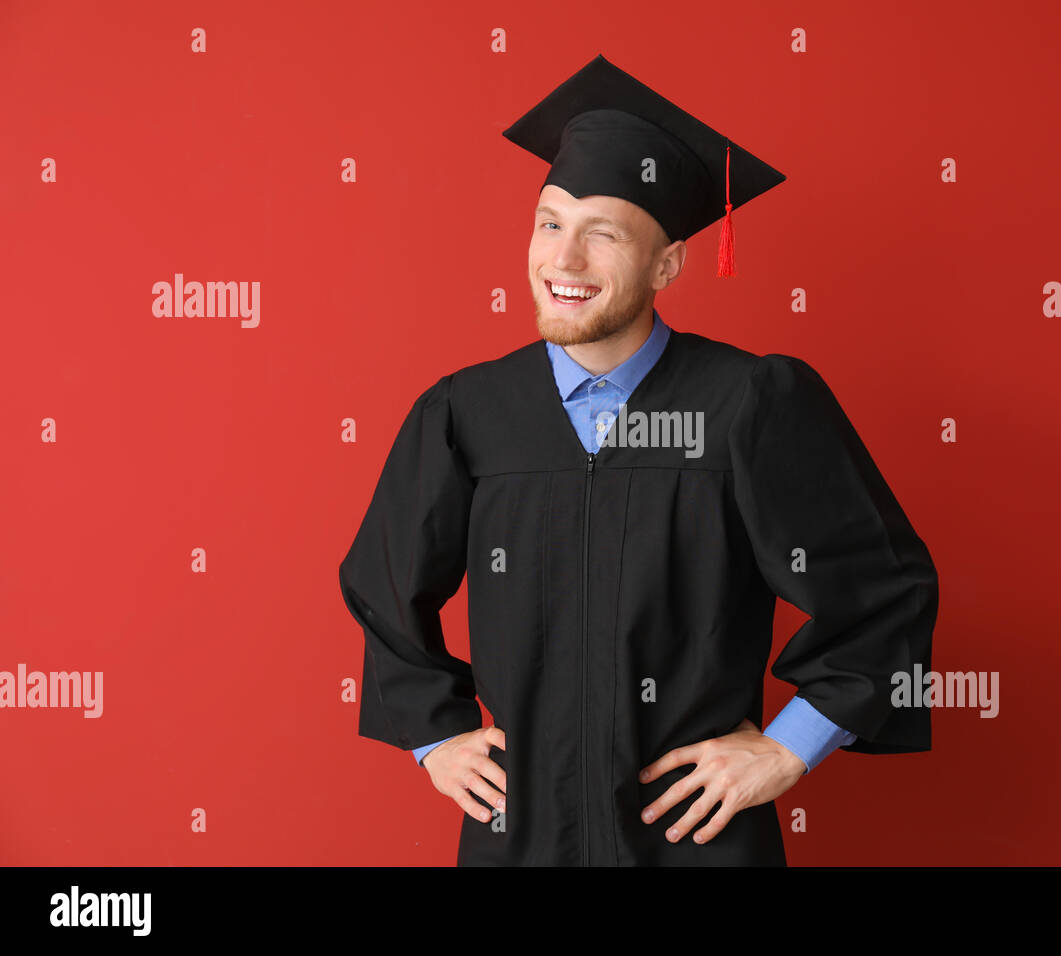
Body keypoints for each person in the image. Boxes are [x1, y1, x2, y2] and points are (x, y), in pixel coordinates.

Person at [338, 54, 939, 866]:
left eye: (603, 233)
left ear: (668, 265)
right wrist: (435, 737)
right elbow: (381, 584)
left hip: (696, 839)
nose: (564, 261)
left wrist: (791, 746)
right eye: (550, 222)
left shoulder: (748, 404)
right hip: (523, 839)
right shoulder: (465, 414)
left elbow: (887, 592)